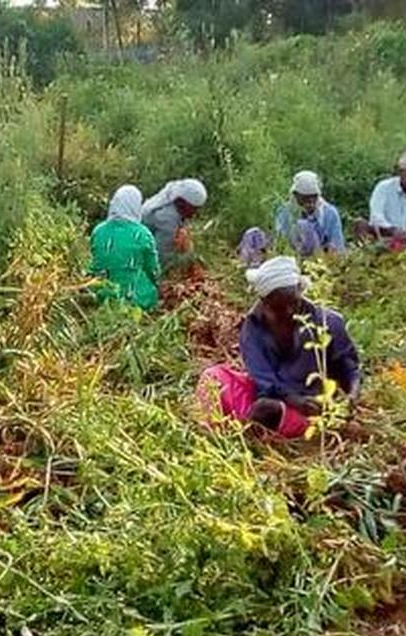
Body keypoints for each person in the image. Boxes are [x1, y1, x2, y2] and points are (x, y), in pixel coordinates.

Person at [198, 256, 360, 439]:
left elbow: (349, 368)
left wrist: (351, 396)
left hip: (311, 408)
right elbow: (263, 380)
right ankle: (225, 432)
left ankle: (248, 433)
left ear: (300, 292)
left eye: (294, 303)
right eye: (280, 308)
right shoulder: (253, 328)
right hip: (275, 398)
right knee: (213, 377)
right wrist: (293, 400)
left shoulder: (327, 322)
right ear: (264, 303)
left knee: (266, 410)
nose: (290, 312)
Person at [89, 185, 161, 311]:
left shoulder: (98, 231)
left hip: (100, 293)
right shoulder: (143, 234)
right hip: (133, 298)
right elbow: (153, 270)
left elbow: (95, 261)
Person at [353, 151, 406, 251]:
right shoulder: (384, 187)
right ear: (400, 173)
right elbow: (376, 217)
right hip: (383, 236)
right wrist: (392, 230)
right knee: (360, 224)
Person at [274, 171, 346, 257]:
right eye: (305, 199)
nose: (310, 204)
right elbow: (281, 243)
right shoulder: (284, 213)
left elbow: (337, 246)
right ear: (295, 195)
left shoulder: (330, 213)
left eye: (313, 198)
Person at [141, 178, 207, 269]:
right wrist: (188, 259)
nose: (195, 213)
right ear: (182, 202)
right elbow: (160, 256)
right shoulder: (167, 219)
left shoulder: (174, 191)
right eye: (194, 209)